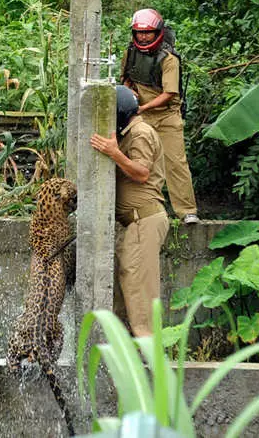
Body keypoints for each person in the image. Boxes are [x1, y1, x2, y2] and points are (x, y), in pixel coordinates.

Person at [90, 85, 169, 337]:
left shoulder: (141, 132)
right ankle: (131, 360)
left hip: (142, 221)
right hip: (134, 224)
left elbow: (142, 172)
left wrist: (114, 154)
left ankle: (150, 365)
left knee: (139, 295)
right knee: (127, 293)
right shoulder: (130, 132)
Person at [120, 8, 200, 224]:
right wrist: (130, 93)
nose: (143, 36)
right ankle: (144, 209)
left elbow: (169, 94)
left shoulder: (169, 59)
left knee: (175, 163)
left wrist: (142, 108)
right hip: (140, 114)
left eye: (148, 33)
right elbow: (126, 79)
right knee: (140, 162)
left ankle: (187, 211)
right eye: (139, 32)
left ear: (158, 33)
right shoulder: (130, 52)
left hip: (166, 116)